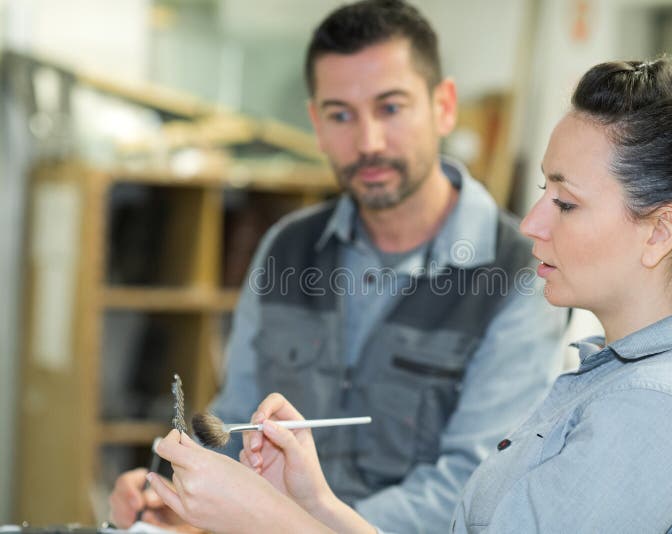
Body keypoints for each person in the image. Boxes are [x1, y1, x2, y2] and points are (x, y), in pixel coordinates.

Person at [143, 55, 672, 533]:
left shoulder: (661, 414)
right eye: (544, 192)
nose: (535, 223)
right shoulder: (612, 381)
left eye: (566, 202)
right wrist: (315, 504)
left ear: (659, 231)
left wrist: (267, 522)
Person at [108, 1, 567, 532]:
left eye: (390, 108)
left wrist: (283, 522)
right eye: (341, 115)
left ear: (443, 106)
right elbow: (233, 414)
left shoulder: (518, 271)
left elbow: (475, 486)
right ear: (316, 124)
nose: (368, 141)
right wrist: (177, 493)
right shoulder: (287, 248)